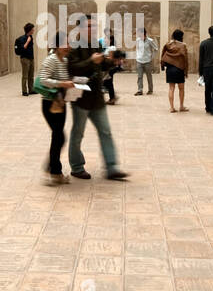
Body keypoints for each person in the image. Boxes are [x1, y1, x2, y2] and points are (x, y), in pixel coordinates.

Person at [66, 40, 129, 181]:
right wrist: (91, 60)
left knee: (105, 131)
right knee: (78, 134)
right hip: (81, 98)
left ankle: (112, 167)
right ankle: (77, 167)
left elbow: (100, 64)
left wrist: (112, 61)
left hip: (97, 99)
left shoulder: (95, 45)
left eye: (93, 26)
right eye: (89, 26)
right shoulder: (75, 47)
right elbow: (73, 69)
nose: (92, 29)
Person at [34, 31, 75, 185]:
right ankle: (53, 171)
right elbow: (43, 80)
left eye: (69, 43)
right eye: (66, 43)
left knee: (58, 136)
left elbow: (63, 79)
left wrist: (71, 83)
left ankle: (53, 171)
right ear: (57, 46)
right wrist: (62, 84)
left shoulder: (63, 60)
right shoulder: (51, 60)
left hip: (60, 102)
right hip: (50, 104)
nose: (68, 47)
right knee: (59, 136)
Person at [160, 29, 189, 113]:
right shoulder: (183, 46)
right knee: (181, 88)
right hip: (179, 69)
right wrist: (186, 71)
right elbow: (185, 59)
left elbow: (163, 55)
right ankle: (181, 106)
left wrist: (162, 67)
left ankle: (172, 107)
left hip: (169, 69)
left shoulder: (168, 44)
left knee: (171, 88)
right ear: (181, 37)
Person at [134, 27, 157, 96]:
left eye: (139, 33)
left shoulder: (150, 40)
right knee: (139, 76)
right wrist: (137, 56)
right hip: (139, 61)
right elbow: (137, 49)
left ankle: (150, 90)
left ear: (143, 33)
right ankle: (139, 90)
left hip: (147, 61)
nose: (138, 34)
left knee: (149, 76)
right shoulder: (137, 40)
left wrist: (152, 57)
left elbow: (156, 49)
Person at [15, 22, 36, 95]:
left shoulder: (31, 37)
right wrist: (27, 41)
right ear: (29, 30)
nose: (34, 30)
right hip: (25, 59)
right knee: (25, 76)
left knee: (31, 75)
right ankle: (24, 91)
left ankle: (31, 89)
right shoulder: (22, 39)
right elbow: (23, 48)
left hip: (31, 58)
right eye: (33, 29)